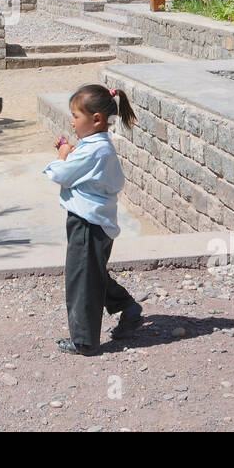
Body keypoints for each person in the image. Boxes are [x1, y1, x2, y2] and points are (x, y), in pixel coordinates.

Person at [45, 83, 143, 356]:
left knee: (82, 278)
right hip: (94, 221)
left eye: (76, 116)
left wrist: (62, 155)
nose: (71, 121)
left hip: (87, 223)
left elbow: (60, 175)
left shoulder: (94, 150)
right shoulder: (95, 146)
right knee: (91, 272)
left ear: (96, 119)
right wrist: (70, 152)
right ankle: (128, 307)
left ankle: (84, 341)